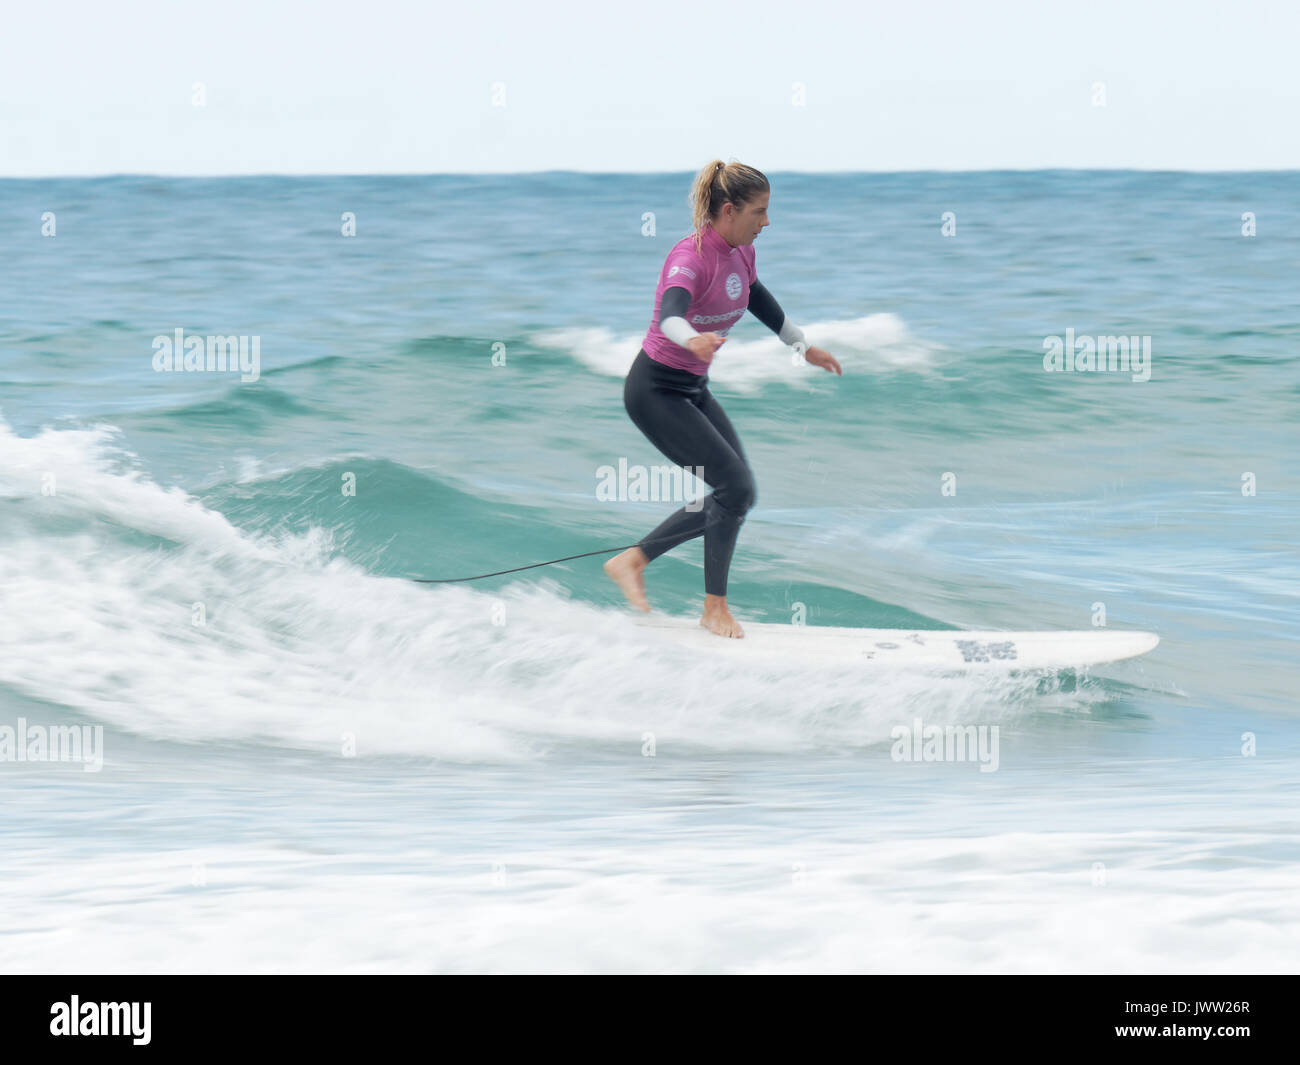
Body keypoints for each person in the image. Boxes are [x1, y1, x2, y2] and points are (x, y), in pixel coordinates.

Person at [604, 159, 842, 638]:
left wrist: (803, 346)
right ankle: (713, 608)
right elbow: (671, 310)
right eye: (760, 212)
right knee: (733, 489)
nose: (767, 222)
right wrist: (690, 337)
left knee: (738, 491)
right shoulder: (690, 258)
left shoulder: (740, 251)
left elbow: (755, 296)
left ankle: (633, 560)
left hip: (691, 387)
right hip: (655, 391)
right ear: (729, 210)